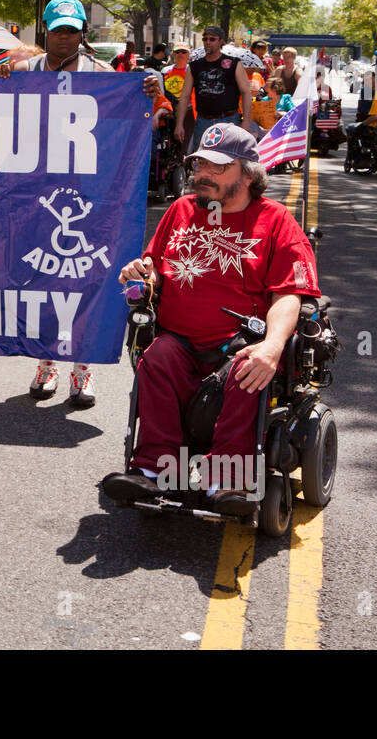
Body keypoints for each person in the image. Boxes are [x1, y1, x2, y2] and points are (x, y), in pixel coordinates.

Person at [100, 123, 321, 514]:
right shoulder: (181, 210)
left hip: (237, 344)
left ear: (248, 173)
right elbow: (155, 269)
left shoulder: (276, 221)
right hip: (180, 340)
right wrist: (140, 274)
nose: (202, 174)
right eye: (200, 164)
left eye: (216, 168)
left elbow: (290, 293)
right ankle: (153, 471)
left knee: (247, 366)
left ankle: (228, 482)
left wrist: (271, 347)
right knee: (157, 357)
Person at [0, 0, 112, 407]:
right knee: (39, 279)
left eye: (73, 30)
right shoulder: (23, 69)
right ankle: (46, 363)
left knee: (84, 280)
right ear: (45, 30)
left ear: (83, 32)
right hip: (34, 194)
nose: (65, 38)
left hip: (87, 196)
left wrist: (148, 93)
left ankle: (83, 369)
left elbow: (131, 124)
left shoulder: (103, 72)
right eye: (58, 29)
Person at [175, 25, 254, 153]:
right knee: (201, 160)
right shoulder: (194, 66)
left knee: (228, 160)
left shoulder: (234, 63)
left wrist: (246, 122)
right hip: (203, 121)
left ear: (221, 41)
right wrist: (179, 125)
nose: (208, 42)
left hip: (229, 121)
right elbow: (184, 97)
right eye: (205, 39)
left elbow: (246, 92)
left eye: (212, 39)